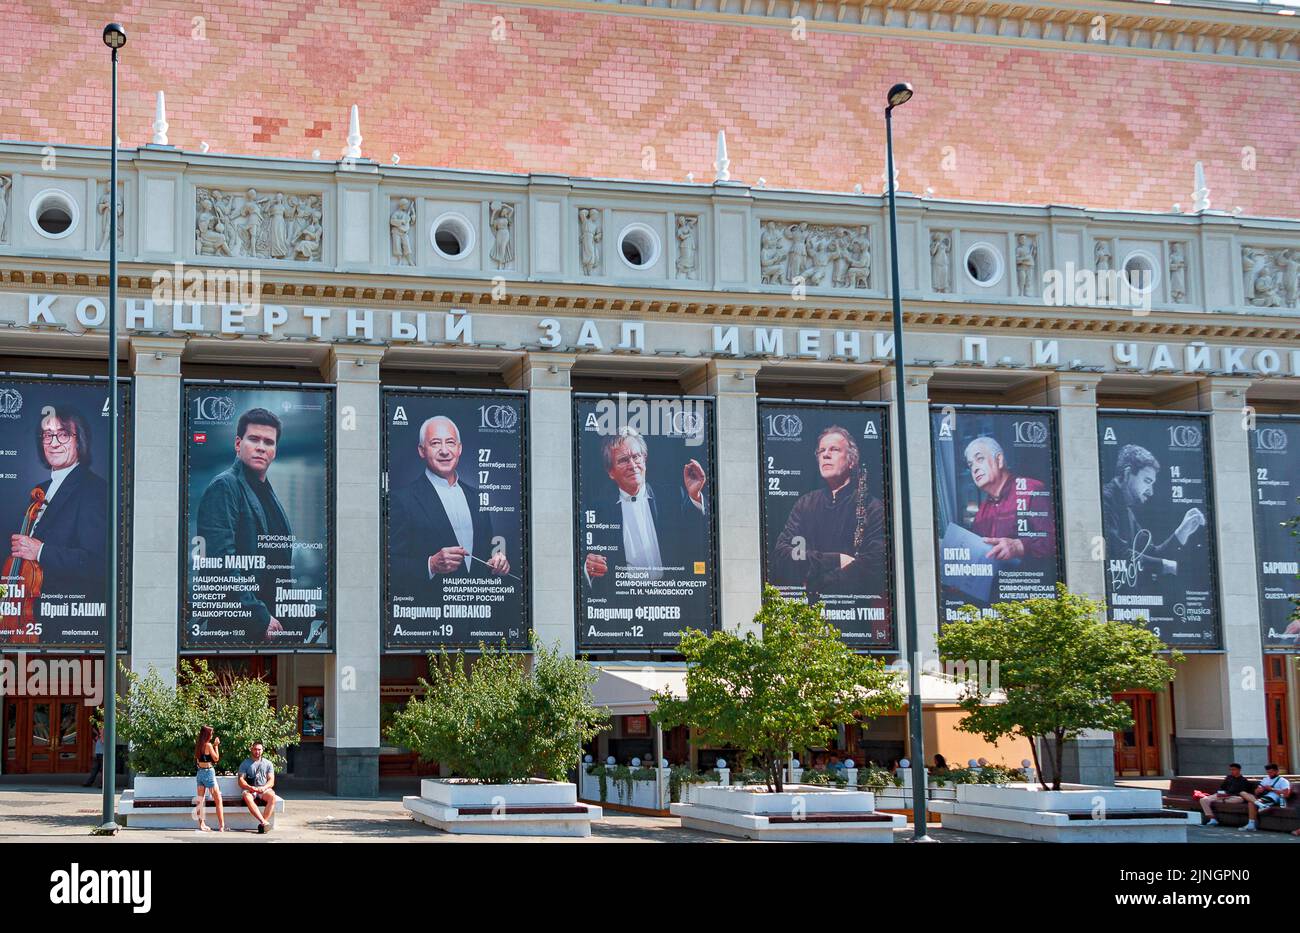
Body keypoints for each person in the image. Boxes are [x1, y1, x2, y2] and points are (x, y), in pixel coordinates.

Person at [4, 407, 108, 643]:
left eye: (63, 434)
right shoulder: (39, 490)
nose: (53, 442)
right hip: (32, 620)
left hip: (66, 625)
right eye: (47, 435)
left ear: (79, 440)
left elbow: (97, 563)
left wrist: (39, 551)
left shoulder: (94, 490)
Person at [195, 408, 293, 641]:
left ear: (275, 451)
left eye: (269, 442)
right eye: (254, 439)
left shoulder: (267, 494)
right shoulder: (225, 486)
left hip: (267, 630)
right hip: (236, 630)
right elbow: (218, 564)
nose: (261, 447)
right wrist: (261, 617)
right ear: (238, 444)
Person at [389, 416, 510, 591]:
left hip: (479, 612)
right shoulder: (401, 499)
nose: (445, 451)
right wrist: (431, 565)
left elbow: (488, 553)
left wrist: (498, 563)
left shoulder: (478, 497)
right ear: (422, 450)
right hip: (428, 612)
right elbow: (387, 564)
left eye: (451, 442)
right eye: (436, 443)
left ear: (459, 449)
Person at [771, 425, 886, 603]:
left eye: (834, 449)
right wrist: (836, 560)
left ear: (851, 460)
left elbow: (873, 566)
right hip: (809, 611)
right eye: (821, 451)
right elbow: (782, 555)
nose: (826, 455)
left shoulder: (872, 507)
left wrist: (818, 581)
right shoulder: (805, 504)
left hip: (853, 613)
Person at [582, 429, 707, 592]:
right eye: (623, 460)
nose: (632, 465)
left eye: (636, 457)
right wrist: (588, 566)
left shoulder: (672, 496)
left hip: (670, 595)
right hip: (622, 601)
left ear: (645, 459)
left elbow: (699, 535)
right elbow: (584, 557)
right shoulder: (597, 510)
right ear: (610, 472)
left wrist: (695, 496)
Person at [1102, 444, 1205, 578]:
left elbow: (1151, 553)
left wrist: (1182, 532)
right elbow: (1116, 553)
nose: (1151, 492)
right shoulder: (1103, 500)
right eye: (1147, 481)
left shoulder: (1126, 510)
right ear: (1127, 474)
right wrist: (1170, 566)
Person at [964, 435, 1055, 561]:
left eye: (979, 459)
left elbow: (1056, 540)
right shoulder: (982, 511)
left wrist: (1019, 546)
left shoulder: (1030, 489)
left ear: (999, 460)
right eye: (970, 465)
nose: (974, 468)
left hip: (1027, 579)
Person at [237, 741, 278, 834]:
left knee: (272, 796)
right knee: (246, 796)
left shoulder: (268, 763)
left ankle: (263, 823)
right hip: (250, 789)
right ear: (252, 750)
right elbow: (240, 780)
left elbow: (271, 780)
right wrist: (250, 787)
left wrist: (264, 788)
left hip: (264, 788)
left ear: (262, 750)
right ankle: (263, 822)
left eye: (259, 749)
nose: (257, 751)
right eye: (255, 749)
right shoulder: (245, 763)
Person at [1238, 763, 1290, 832]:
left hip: (1272, 798)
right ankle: (1261, 805)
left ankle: (1251, 825)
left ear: (1277, 771)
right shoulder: (1266, 779)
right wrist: (1259, 790)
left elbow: (1286, 794)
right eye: (1268, 772)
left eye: (1271, 772)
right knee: (1242, 793)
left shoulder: (1283, 781)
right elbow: (1256, 792)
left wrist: (1271, 789)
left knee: (1251, 803)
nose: (1269, 774)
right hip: (1262, 797)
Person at [1198, 762, 1253, 826]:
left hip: (1233, 797)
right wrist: (1221, 793)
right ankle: (1212, 819)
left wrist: (1229, 795)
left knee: (1239, 799)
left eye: (1234, 770)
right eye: (1231, 770)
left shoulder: (1243, 780)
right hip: (1223, 796)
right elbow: (1222, 787)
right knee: (1203, 800)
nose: (1232, 771)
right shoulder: (1229, 778)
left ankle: (1218, 800)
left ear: (1239, 770)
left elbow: (1242, 793)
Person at [194, 725, 225, 832]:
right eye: (211, 733)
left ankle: (202, 825)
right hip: (208, 772)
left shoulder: (198, 745)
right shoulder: (208, 745)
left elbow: (198, 760)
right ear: (207, 734)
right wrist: (216, 745)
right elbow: (216, 758)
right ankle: (221, 826)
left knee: (200, 800)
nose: (212, 735)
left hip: (200, 772)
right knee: (218, 799)